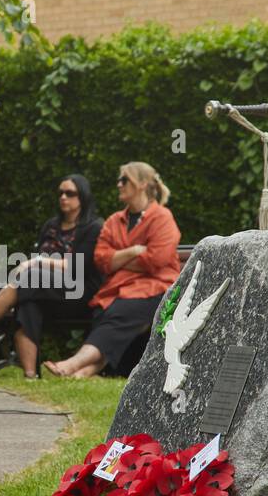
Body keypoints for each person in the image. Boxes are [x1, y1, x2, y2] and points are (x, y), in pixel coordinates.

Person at [0, 173, 103, 377]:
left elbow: (78, 265)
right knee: (28, 304)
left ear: (83, 197)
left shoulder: (93, 227)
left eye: (70, 193)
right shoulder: (52, 226)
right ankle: (30, 376)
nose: (63, 197)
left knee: (29, 277)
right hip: (43, 288)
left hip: (77, 293)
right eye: (60, 192)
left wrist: (36, 263)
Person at [43, 162, 180, 379]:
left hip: (155, 290)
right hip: (118, 291)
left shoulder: (162, 217)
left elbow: (156, 259)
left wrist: (118, 260)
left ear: (142, 184)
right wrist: (133, 251)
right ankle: (87, 371)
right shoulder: (114, 220)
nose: (119, 184)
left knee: (121, 312)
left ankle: (72, 365)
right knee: (109, 311)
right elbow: (101, 260)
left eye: (124, 179)